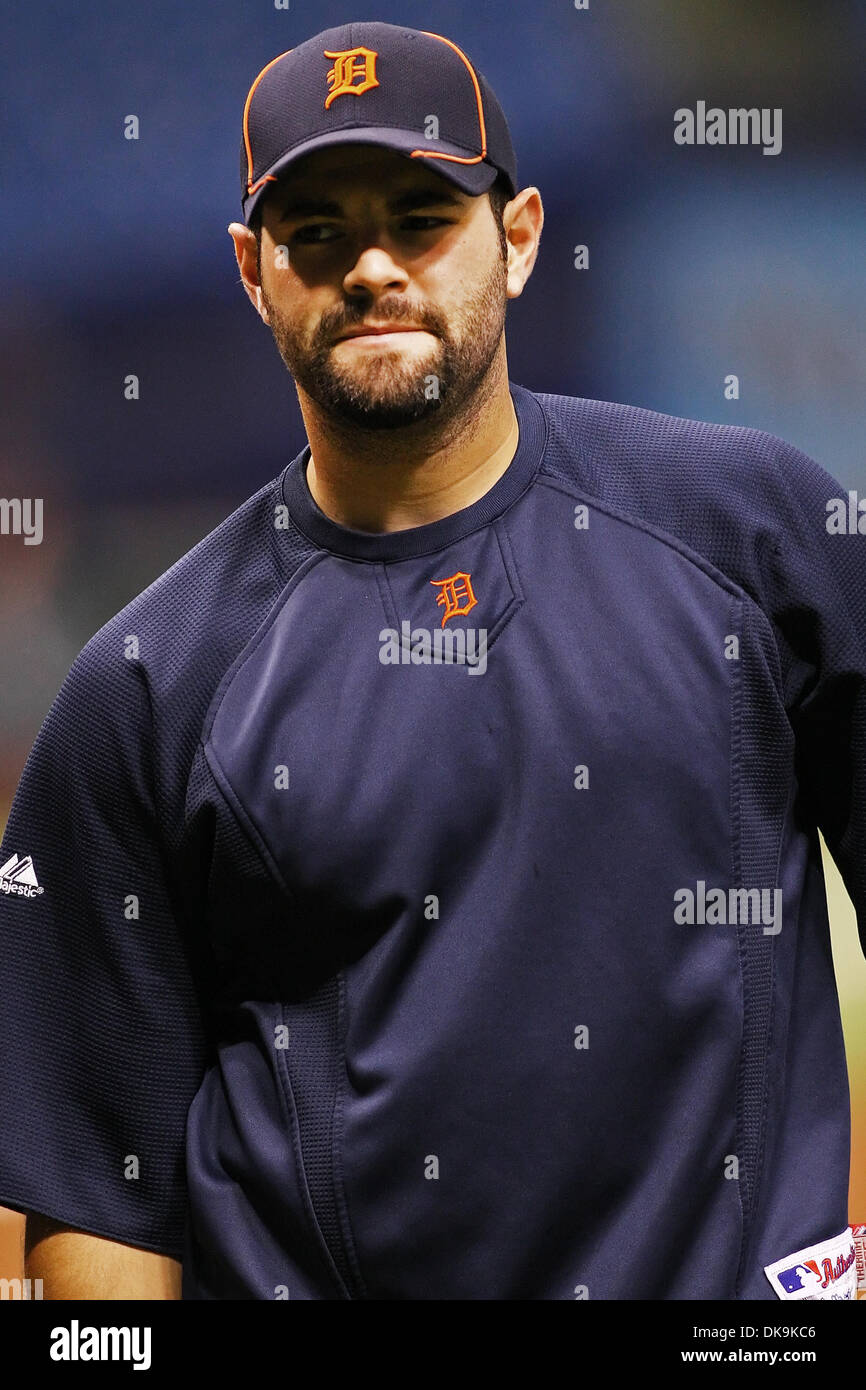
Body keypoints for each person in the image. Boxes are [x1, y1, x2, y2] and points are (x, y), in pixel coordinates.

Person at [1, 19, 864, 1301]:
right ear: (252, 270)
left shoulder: (755, 534)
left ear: (515, 239)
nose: (370, 268)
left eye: (419, 218)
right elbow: (95, 1208)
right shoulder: (148, 688)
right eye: (317, 234)